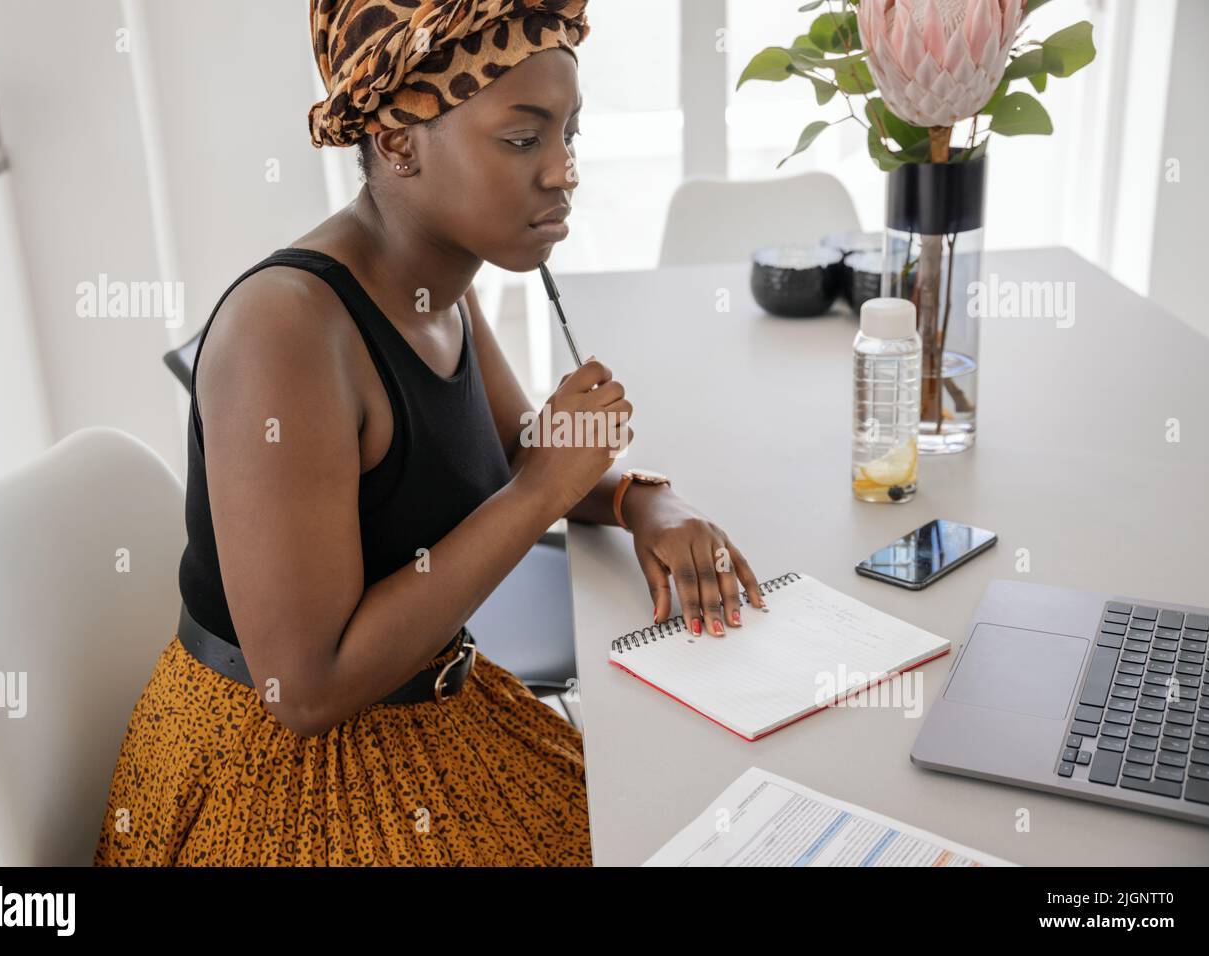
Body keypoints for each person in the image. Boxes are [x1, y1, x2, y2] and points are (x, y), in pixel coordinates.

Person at [93, 0, 765, 867]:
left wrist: (645, 500)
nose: (563, 172)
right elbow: (301, 690)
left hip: (432, 704)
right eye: (523, 140)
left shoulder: (437, 286)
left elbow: (525, 453)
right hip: (286, 784)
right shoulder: (285, 333)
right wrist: (541, 492)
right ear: (398, 140)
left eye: (570, 134)